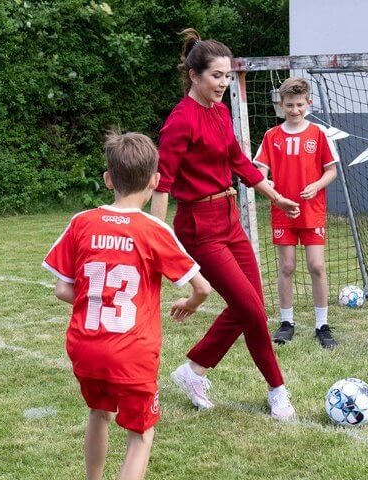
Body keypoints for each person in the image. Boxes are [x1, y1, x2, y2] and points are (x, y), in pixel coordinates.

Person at [43, 132, 211, 480]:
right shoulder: (153, 229)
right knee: (141, 434)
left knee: (98, 413)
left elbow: (62, 288)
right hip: (132, 351)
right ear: (155, 181)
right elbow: (202, 288)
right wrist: (191, 302)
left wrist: (93, 300)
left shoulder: (81, 222)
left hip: (86, 346)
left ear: (108, 180)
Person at [149, 29, 299, 419]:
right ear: (194, 76)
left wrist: (275, 195)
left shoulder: (220, 111)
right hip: (199, 227)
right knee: (249, 307)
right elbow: (162, 184)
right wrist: (154, 236)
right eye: (217, 76)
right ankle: (277, 390)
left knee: (254, 307)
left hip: (231, 219)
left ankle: (194, 370)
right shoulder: (180, 122)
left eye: (228, 76)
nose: (224, 83)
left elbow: (239, 161)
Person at [253, 77, 339, 349]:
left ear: (308, 103)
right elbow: (259, 172)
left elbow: (331, 171)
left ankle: (321, 325)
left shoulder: (318, 134)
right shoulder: (271, 136)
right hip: (283, 212)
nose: (295, 110)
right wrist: (268, 186)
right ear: (281, 104)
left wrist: (316, 185)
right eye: (289, 105)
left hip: (311, 212)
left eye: (300, 104)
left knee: (317, 266)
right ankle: (287, 322)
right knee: (287, 267)